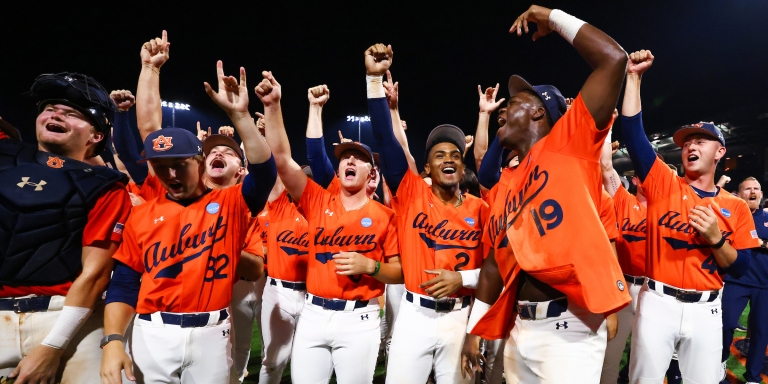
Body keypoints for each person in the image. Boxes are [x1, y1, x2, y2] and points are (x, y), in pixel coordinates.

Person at [463, 5, 630, 382]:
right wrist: (475, 330)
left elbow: (613, 59)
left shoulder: (568, 143)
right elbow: (493, 263)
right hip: (521, 327)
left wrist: (553, 17)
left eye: (517, 101)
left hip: (570, 328)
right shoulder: (507, 182)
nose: (506, 107)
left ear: (541, 114)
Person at [99, 59, 275, 384]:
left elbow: (265, 173)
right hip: (152, 332)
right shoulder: (144, 213)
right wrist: (112, 341)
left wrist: (240, 116)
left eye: (179, 164)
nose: (170, 174)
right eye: (161, 166)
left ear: (200, 162)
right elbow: (124, 283)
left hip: (213, 333)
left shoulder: (229, 203)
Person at [620, 50, 760, 383]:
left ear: (720, 152)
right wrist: (634, 79)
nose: (690, 146)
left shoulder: (736, 206)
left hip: (707, 309)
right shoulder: (662, 183)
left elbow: (740, 267)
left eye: (700, 141)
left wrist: (716, 238)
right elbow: (634, 135)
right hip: (656, 302)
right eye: (686, 143)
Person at [256, 70, 401, 384]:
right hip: (313, 313)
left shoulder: (384, 215)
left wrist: (371, 266)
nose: (349, 160)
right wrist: (273, 106)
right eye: (345, 157)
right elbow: (281, 158)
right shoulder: (318, 200)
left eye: (358, 158)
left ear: (370, 173)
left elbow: (400, 272)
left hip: (359, 318)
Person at [363, 44, 488, 384]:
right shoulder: (411, 193)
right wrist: (374, 80)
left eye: (454, 155)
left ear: (462, 166)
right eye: (439, 155)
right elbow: (384, 139)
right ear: (428, 166)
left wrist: (463, 279)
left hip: (461, 319)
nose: (448, 159)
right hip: (414, 314)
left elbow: (497, 269)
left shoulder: (481, 210)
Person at [0, 72, 131, 383]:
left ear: (96, 136)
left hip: (66, 317)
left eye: (72, 113)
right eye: (49, 108)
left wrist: (52, 346)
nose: (57, 113)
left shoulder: (107, 187)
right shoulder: (5, 154)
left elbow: (95, 273)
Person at [720, 177, 767, 384]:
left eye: (756, 188)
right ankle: (719, 365)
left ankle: (753, 378)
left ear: (762, 194)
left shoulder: (766, 217)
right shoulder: (732, 215)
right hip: (735, 279)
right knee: (726, 324)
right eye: (747, 188)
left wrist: (758, 242)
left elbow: (753, 242)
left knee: (760, 332)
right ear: (739, 194)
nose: (752, 191)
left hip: (765, 284)